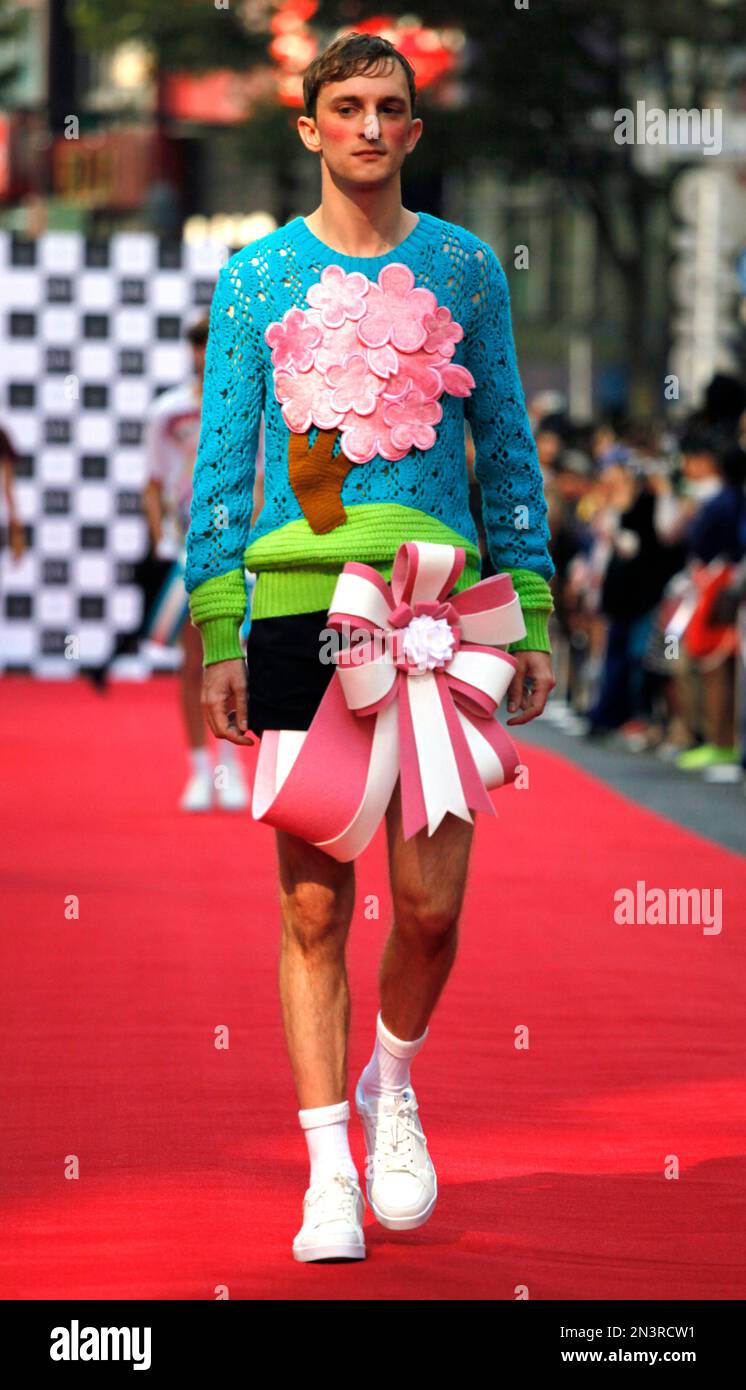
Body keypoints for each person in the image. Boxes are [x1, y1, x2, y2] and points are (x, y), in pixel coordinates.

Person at [185, 31, 556, 1262]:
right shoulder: (252, 279)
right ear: (307, 128)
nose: (363, 125)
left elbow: (502, 438)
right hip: (298, 604)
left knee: (433, 909)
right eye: (341, 106)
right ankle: (325, 1171)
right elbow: (221, 465)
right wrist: (219, 624)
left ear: (411, 129)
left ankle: (389, 1087)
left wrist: (535, 601)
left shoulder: (462, 268)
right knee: (309, 905)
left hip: (441, 607)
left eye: (385, 108)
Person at [143, 316, 251, 812]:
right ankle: (199, 772)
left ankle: (234, 769)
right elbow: (152, 482)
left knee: (237, 658)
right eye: (195, 344)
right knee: (193, 662)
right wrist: (160, 541)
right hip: (188, 552)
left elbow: (269, 475)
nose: (202, 353)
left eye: (210, 344)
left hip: (245, 549)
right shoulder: (168, 411)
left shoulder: (251, 403)